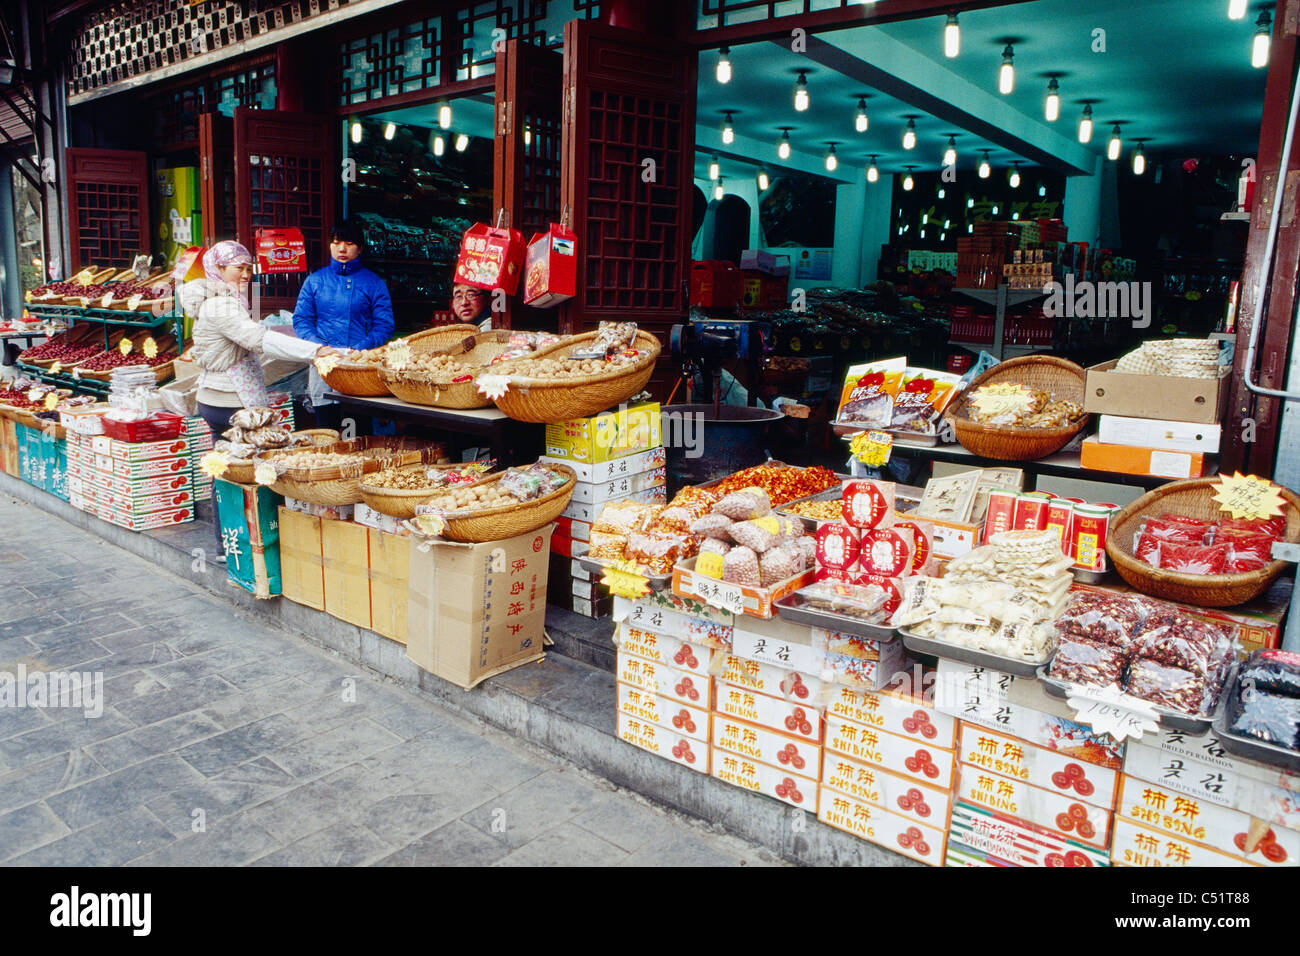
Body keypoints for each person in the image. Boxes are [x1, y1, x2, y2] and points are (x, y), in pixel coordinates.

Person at [178, 241, 338, 559]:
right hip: (230, 401)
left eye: (249, 268)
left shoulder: (219, 298)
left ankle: (230, 543)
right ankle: (249, 543)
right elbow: (257, 338)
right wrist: (314, 351)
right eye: (239, 268)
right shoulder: (221, 305)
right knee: (248, 470)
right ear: (218, 269)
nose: (246, 275)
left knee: (226, 466)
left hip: (218, 397)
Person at [293, 221, 395, 426]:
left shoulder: (374, 283)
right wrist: (321, 347)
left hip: (358, 365)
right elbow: (302, 320)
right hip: (324, 364)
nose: (341, 249)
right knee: (327, 428)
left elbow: (384, 325)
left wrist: (359, 350)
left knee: (358, 429)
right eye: (336, 242)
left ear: (360, 248)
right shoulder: (314, 281)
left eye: (349, 243)